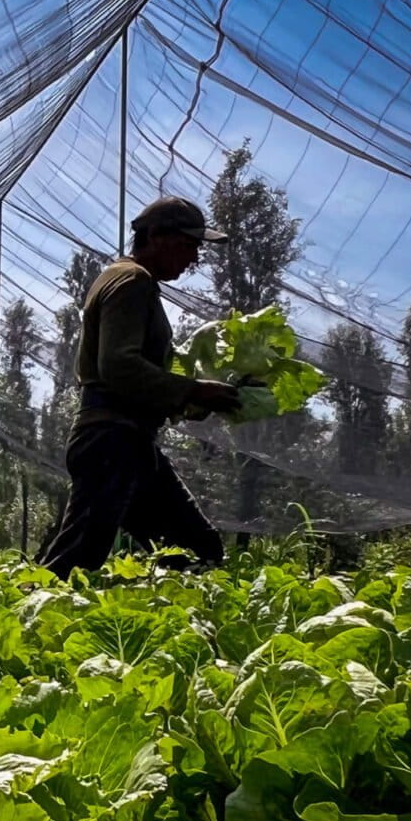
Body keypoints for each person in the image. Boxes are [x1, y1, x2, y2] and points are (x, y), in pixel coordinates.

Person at [38, 196, 243, 579]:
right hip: (111, 440)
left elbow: (132, 372)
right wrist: (193, 391)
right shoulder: (133, 281)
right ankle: (20, 623)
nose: (193, 258)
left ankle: (170, 630)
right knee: (77, 560)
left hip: (127, 440)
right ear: (155, 237)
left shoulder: (130, 280)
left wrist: (182, 398)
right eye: (188, 245)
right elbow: (116, 364)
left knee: (196, 548)